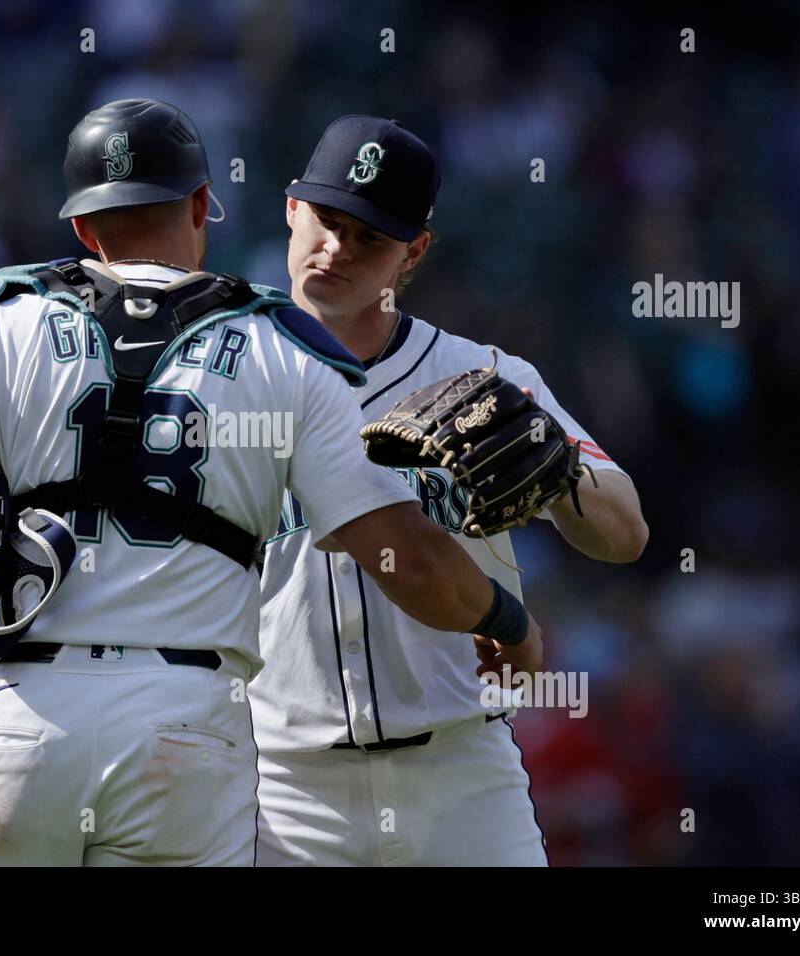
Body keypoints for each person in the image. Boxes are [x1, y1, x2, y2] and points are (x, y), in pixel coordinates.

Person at [0, 99, 543, 866]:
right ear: (203, 204)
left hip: (18, 720)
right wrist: (507, 622)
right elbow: (404, 553)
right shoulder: (284, 352)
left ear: (80, 225)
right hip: (185, 731)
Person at [250, 115, 649, 866]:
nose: (338, 250)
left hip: (460, 773)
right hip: (281, 788)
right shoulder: (219, 378)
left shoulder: (485, 375)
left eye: (369, 237)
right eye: (327, 221)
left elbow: (626, 535)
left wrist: (558, 472)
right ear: (291, 209)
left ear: (415, 252)